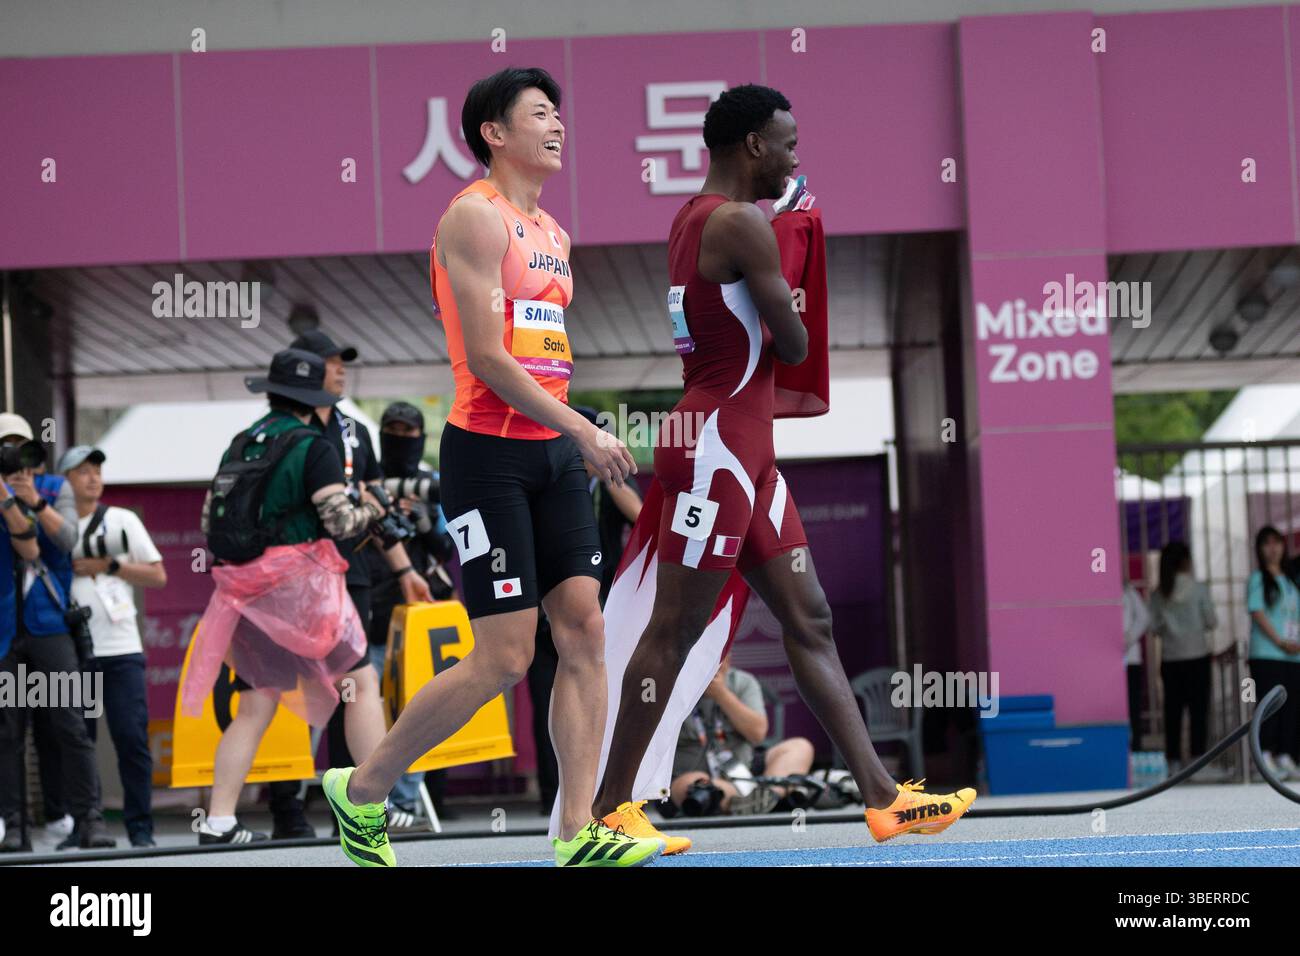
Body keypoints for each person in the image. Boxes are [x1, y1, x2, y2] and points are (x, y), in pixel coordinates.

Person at [590, 84, 976, 848]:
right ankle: (605, 813)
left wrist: (789, 231)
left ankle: (883, 797)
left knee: (812, 619)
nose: (798, 157)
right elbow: (793, 345)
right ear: (754, 147)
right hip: (718, 449)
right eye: (789, 144)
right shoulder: (738, 224)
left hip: (744, 450)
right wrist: (795, 228)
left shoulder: (695, 219)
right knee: (675, 629)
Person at [321, 66, 664, 868]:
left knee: (584, 632)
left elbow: (545, 355)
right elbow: (486, 356)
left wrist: (569, 432)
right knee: (505, 657)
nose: (558, 126)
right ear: (494, 134)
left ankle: (578, 830)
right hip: (487, 458)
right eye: (539, 114)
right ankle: (363, 789)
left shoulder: (555, 235)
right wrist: (584, 427)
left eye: (560, 115)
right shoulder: (473, 221)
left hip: (551, 454)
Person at [184, 348, 394, 845]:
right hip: (305, 592)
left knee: (255, 705)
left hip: (247, 593)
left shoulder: (241, 442)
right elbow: (340, 521)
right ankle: (374, 808)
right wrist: (374, 506)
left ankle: (218, 822)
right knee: (360, 686)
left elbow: (208, 519)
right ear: (312, 399)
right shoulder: (313, 445)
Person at [261, 331, 432, 840]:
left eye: (341, 363)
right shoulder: (282, 431)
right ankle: (287, 809)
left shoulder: (355, 429)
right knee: (294, 692)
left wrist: (405, 570)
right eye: (330, 363)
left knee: (353, 688)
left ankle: (357, 806)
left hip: (350, 575)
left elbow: (374, 502)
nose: (339, 371)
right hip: (294, 578)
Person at [0, 416, 114, 851]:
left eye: (21, 449)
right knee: (9, 731)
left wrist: (32, 500)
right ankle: (14, 825)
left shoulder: (53, 487)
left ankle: (90, 819)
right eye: (4, 450)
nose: (15, 459)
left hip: (49, 625)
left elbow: (67, 540)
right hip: (6, 631)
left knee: (70, 724)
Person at [526, 406, 642, 814]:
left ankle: (596, 799)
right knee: (546, 701)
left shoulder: (608, 484)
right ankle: (550, 801)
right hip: (543, 611)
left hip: (597, 610)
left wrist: (606, 474)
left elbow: (642, 518)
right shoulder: (543, 476)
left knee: (594, 691)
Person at [60, 445, 166, 847]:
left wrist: (112, 566)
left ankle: (141, 829)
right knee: (76, 742)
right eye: (82, 471)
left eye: (97, 470)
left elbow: (159, 576)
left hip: (121, 651)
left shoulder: (121, 520)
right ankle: (82, 826)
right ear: (64, 479)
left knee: (131, 740)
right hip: (73, 654)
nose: (93, 478)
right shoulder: (55, 523)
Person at [369, 400, 456, 824]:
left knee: (415, 707)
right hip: (368, 608)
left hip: (418, 611)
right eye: (393, 430)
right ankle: (366, 801)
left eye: (408, 432)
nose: (400, 438)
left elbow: (450, 546)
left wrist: (422, 519)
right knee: (365, 704)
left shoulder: (430, 482)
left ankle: (408, 803)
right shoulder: (367, 480)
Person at [669, 654, 813, 815]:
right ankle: (769, 800)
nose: (710, 666)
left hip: (746, 771)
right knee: (692, 786)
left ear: (728, 658)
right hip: (693, 776)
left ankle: (769, 795)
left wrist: (722, 694)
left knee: (800, 747)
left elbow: (757, 735)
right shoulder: (668, 686)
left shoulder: (743, 681)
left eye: (719, 656)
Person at [1147, 542, 1218, 774]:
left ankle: (1173, 762)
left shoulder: (1159, 593)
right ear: (1186, 561)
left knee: (1173, 711)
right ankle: (1198, 761)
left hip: (1170, 658)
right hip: (1196, 655)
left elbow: (1153, 627)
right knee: (1198, 711)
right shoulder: (1199, 589)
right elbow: (1211, 621)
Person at [1246, 525, 1300, 781]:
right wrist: (1279, 641)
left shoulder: (1291, 579)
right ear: (1260, 549)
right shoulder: (1258, 578)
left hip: (1293, 652)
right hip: (1268, 652)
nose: (1273, 548)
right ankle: (1264, 753)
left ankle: (1285, 754)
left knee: (1292, 705)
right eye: (1266, 543)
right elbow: (1257, 612)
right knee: (1270, 705)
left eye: (1276, 542)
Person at [1122, 581, 1150, 750]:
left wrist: (1129, 638)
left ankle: (1136, 747)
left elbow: (1143, 618)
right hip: (1105, 660)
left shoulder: (1127, 590)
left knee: (1133, 707)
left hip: (1130, 659)